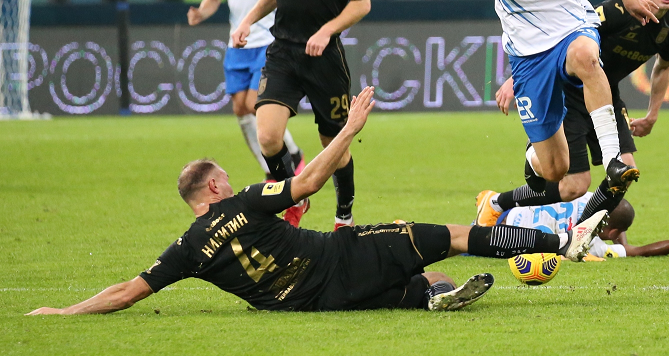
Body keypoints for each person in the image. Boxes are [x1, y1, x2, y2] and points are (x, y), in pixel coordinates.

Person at [25, 87, 611, 316]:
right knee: (449, 235)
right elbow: (305, 184)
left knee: (408, 283)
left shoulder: (187, 250)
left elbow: (129, 292)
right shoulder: (244, 205)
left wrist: (64, 313)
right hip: (337, 259)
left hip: (311, 304)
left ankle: (428, 297)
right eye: (225, 179)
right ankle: (562, 240)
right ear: (212, 189)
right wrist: (347, 130)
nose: (231, 183)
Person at [437, 0, 660, 215]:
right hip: (528, 54)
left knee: (587, 56)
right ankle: (534, 154)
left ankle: (614, 159)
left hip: (572, 26)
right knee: (556, 170)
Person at [474, 0, 669, 228]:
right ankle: (496, 203)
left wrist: (652, 113)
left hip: (606, 94)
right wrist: (519, 78)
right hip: (570, 92)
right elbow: (565, 35)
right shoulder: (617, 10)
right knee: (575, 185)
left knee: (625, 169)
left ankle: (582, 232)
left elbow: (664, 67)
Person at [234, 0, 371, 231]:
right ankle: (295, 197)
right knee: (267, 137)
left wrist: (327, 30)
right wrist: (247, 21)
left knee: (335, 144)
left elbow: (362, 4)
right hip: (283, 53)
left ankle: (344, 214)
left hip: (325, 60)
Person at [186, 0, 306, 226]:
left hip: (269, 38)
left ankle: (293, 160)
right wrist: (201, 14)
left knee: (256, 104)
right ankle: (274, 169)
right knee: (240, 108)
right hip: (237, 42)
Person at [495, 193, 669, 259]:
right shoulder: (591, 245)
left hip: (510, 213)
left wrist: (616, 231)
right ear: (613, 232)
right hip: (507, 242)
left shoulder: (588, 195)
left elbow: (613, 211)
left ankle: (492, 201)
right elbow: (639, 252)